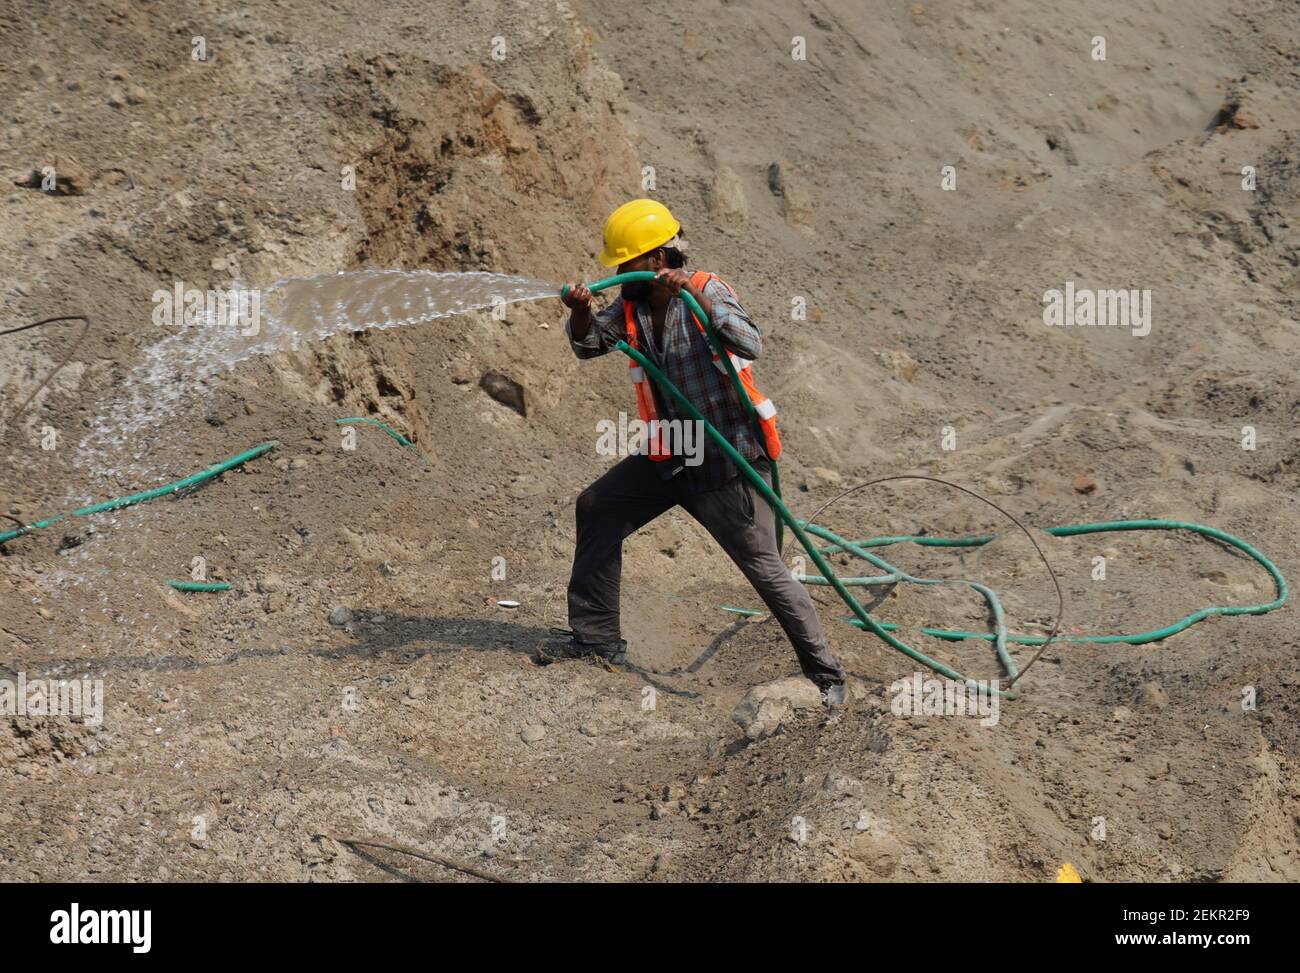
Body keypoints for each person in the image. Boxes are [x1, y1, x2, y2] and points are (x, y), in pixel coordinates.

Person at [544, 198, 847, 707]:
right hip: (671, 453)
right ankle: (595, 640)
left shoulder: (708, 289)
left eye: (628, 263)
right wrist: (580, 313)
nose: (619, 274)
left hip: (729, 456)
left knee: (762, 565)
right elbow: (591, 345)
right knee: (598, 506)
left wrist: (694, 298)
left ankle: (827, 675)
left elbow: (748, 341)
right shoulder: (634, 304)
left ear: (660, 259)